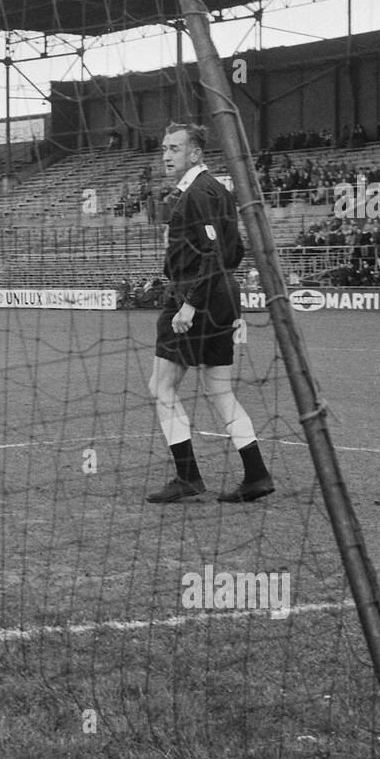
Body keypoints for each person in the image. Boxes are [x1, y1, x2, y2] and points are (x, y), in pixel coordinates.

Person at [146, 123, 273, 504]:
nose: (166, 155)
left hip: (195, 296)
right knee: (219, 390)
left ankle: (187, 476)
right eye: (164, 148)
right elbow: (233, 253)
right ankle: (256, 475)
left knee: (160, 386)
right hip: (223, 295)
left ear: (196, 153)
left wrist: (189, 302)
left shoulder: (197, 194)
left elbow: (212, 253)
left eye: (175, 148)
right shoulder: (219, 191)